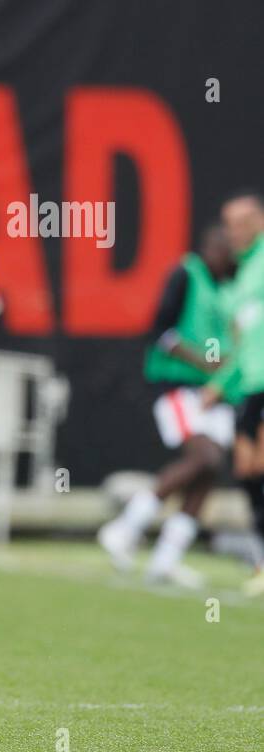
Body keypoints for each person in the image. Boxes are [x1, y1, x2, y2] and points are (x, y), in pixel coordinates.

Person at [98, 224, 235, 587]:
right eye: (223, 247)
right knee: (204, 457)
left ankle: (166, 558)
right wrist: (203, 363)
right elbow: (160, 332)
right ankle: (125, 528)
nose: (228, 255)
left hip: (219, 394)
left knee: (208, 474)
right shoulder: (186, 274)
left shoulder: (232, 288)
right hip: (178, 387)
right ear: (209, 246)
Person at [205, 189, 264, 596]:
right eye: (228, 225)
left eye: (240, 223)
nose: (233, 232)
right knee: (247, 473)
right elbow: (242, 343)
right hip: (248, 386)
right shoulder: (241, 276)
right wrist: (219, 385)